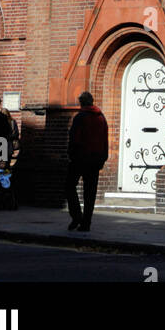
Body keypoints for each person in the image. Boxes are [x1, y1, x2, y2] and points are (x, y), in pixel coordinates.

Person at [66, 91, 108, 233]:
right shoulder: (101, 117)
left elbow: (74, 139)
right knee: (90, 193)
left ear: (81, 103)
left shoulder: (80, 117)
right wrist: (103, 158)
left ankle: (76, 216)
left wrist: (71, 155)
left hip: (79, 159)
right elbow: (105, 139)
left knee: (69, 186)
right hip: (95, 160)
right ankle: (86, 223)